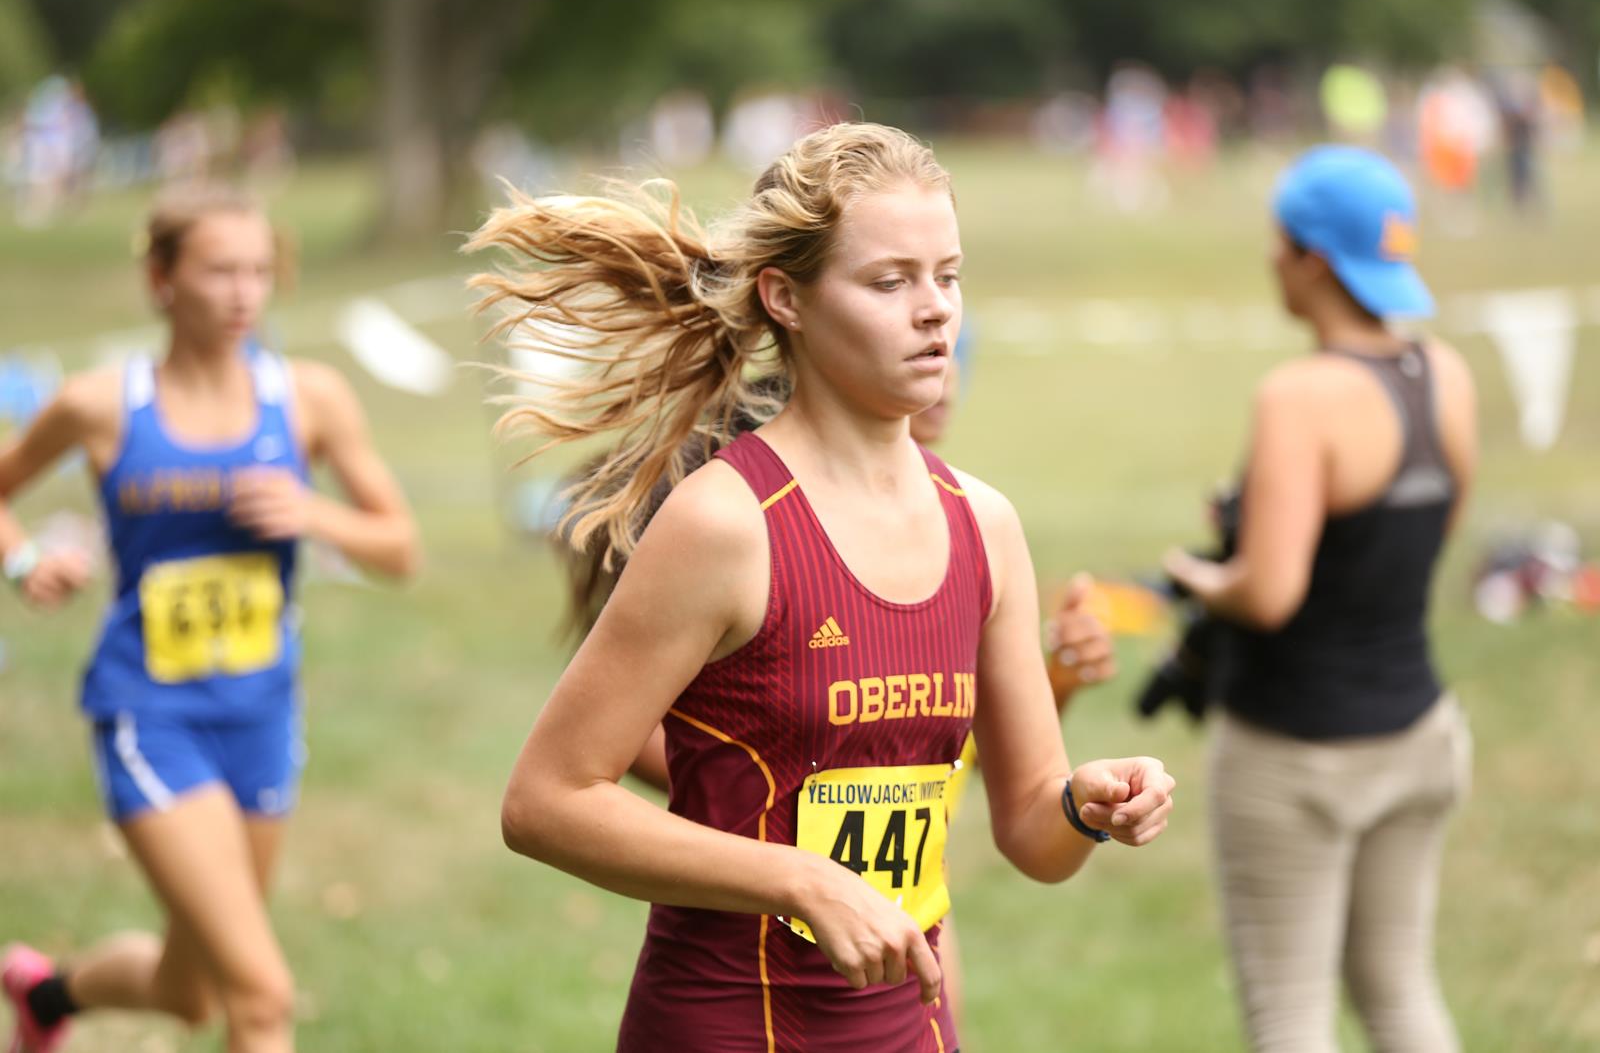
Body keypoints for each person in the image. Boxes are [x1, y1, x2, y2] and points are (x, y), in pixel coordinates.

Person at [471, 121, 1174, 1052]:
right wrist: (800, 879)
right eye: (890, 281)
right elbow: (547, 801)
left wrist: (1087, 804)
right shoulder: (726, 523)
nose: (934, 312)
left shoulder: (987, 528)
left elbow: (1033, 838)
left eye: (948, 276)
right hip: (730, 1024)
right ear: (786, 298)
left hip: (909, 1031)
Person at [1, 184, 420, 1053]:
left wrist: (314, 513)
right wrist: (25, 561)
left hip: (262, 714)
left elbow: (400, 547)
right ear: (161, 280)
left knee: (189, 988)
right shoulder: (101, 404)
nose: (243, 292)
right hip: (149, 714)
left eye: (260, 271)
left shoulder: (308, 397)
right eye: (219, 270)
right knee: (260, 995)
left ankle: (45, 998)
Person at [1164, 146, 1476, 1053]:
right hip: (1422, 733)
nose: (1270, 257)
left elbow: (1268, 593)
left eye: (1280, 240)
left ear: (1315, 261)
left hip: (1299, 755)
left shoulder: (1301, 396)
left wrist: (1195, 576)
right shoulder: (1442, 374)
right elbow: (1429, 535)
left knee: (1291, 1017)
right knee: (1401, 991)